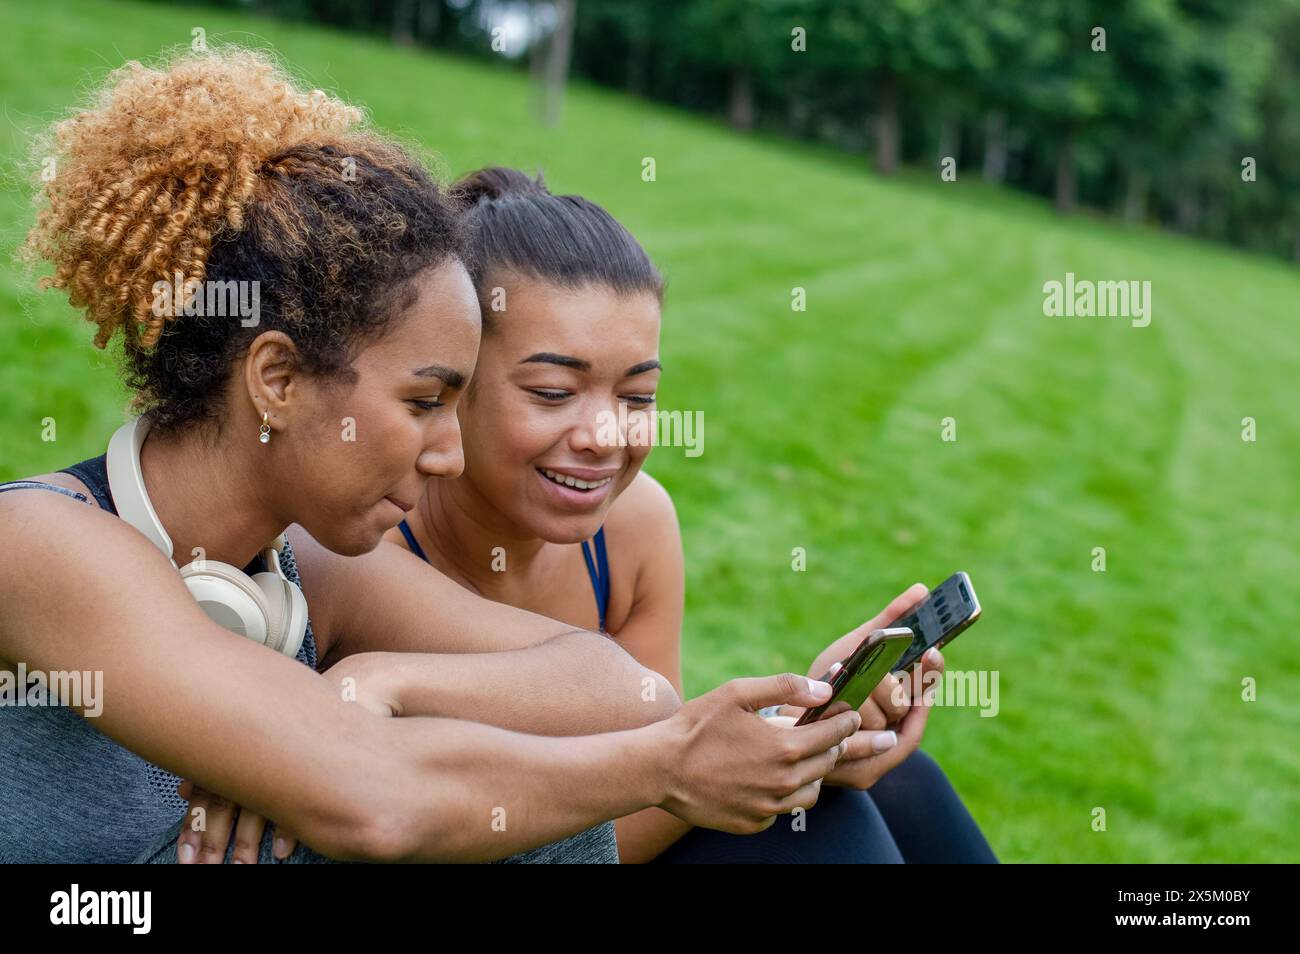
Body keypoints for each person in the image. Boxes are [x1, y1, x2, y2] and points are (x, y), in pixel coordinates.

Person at [0, 47, 869, 864]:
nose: (450, 454)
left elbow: (620, 689)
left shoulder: (304, 567)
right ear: (277, 379)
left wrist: (382, 683)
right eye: (424, 402)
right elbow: (372, 803)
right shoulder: (38, 542)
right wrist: (666, 768)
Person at [375, 168, 997, 862]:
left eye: (638, 396)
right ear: (455, 380)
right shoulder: (369, 543)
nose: (606, 436)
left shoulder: (633, 528)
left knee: (892, 786)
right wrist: (735, 751)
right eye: (554, 392)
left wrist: (793, 734)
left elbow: (641, 806)